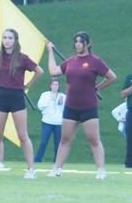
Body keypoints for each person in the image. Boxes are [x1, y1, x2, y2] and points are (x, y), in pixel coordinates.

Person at [47, 31, 116, 179]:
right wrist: (50, 52)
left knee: (94, 139)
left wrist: (98, 87)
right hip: (71, 106)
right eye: (76, 41)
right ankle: (57, 168)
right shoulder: (70, 61)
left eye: (80, 41)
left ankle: (101, 170)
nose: (77, 44)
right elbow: (53, 71)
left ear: (87, 44)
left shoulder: (95, 61)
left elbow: (112, 77)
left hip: (88, 106)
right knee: (65, 140)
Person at [0, 27, 40, 179]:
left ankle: (31, 169)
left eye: (10, 38)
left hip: (17, 97)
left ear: (15, 41)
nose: (6, 40)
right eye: (5, 38)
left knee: (22, 135)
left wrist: (28, 85)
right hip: (1, 96)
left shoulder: (22, 58)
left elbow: (39, 71)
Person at [34, 78, 65, 163]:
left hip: (58, 123)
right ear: (50, 86)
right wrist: (50, 100)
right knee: (43, 141)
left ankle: (57, 160)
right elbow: (40, 106)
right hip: (47, 122)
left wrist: (61, 103)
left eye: (56, 85)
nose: (55, 86)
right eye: (53, 84)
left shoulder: (62, 96)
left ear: (59, 86)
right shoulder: (45, 95)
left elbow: (65, 110)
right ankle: (38, 159)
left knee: (58, 143)